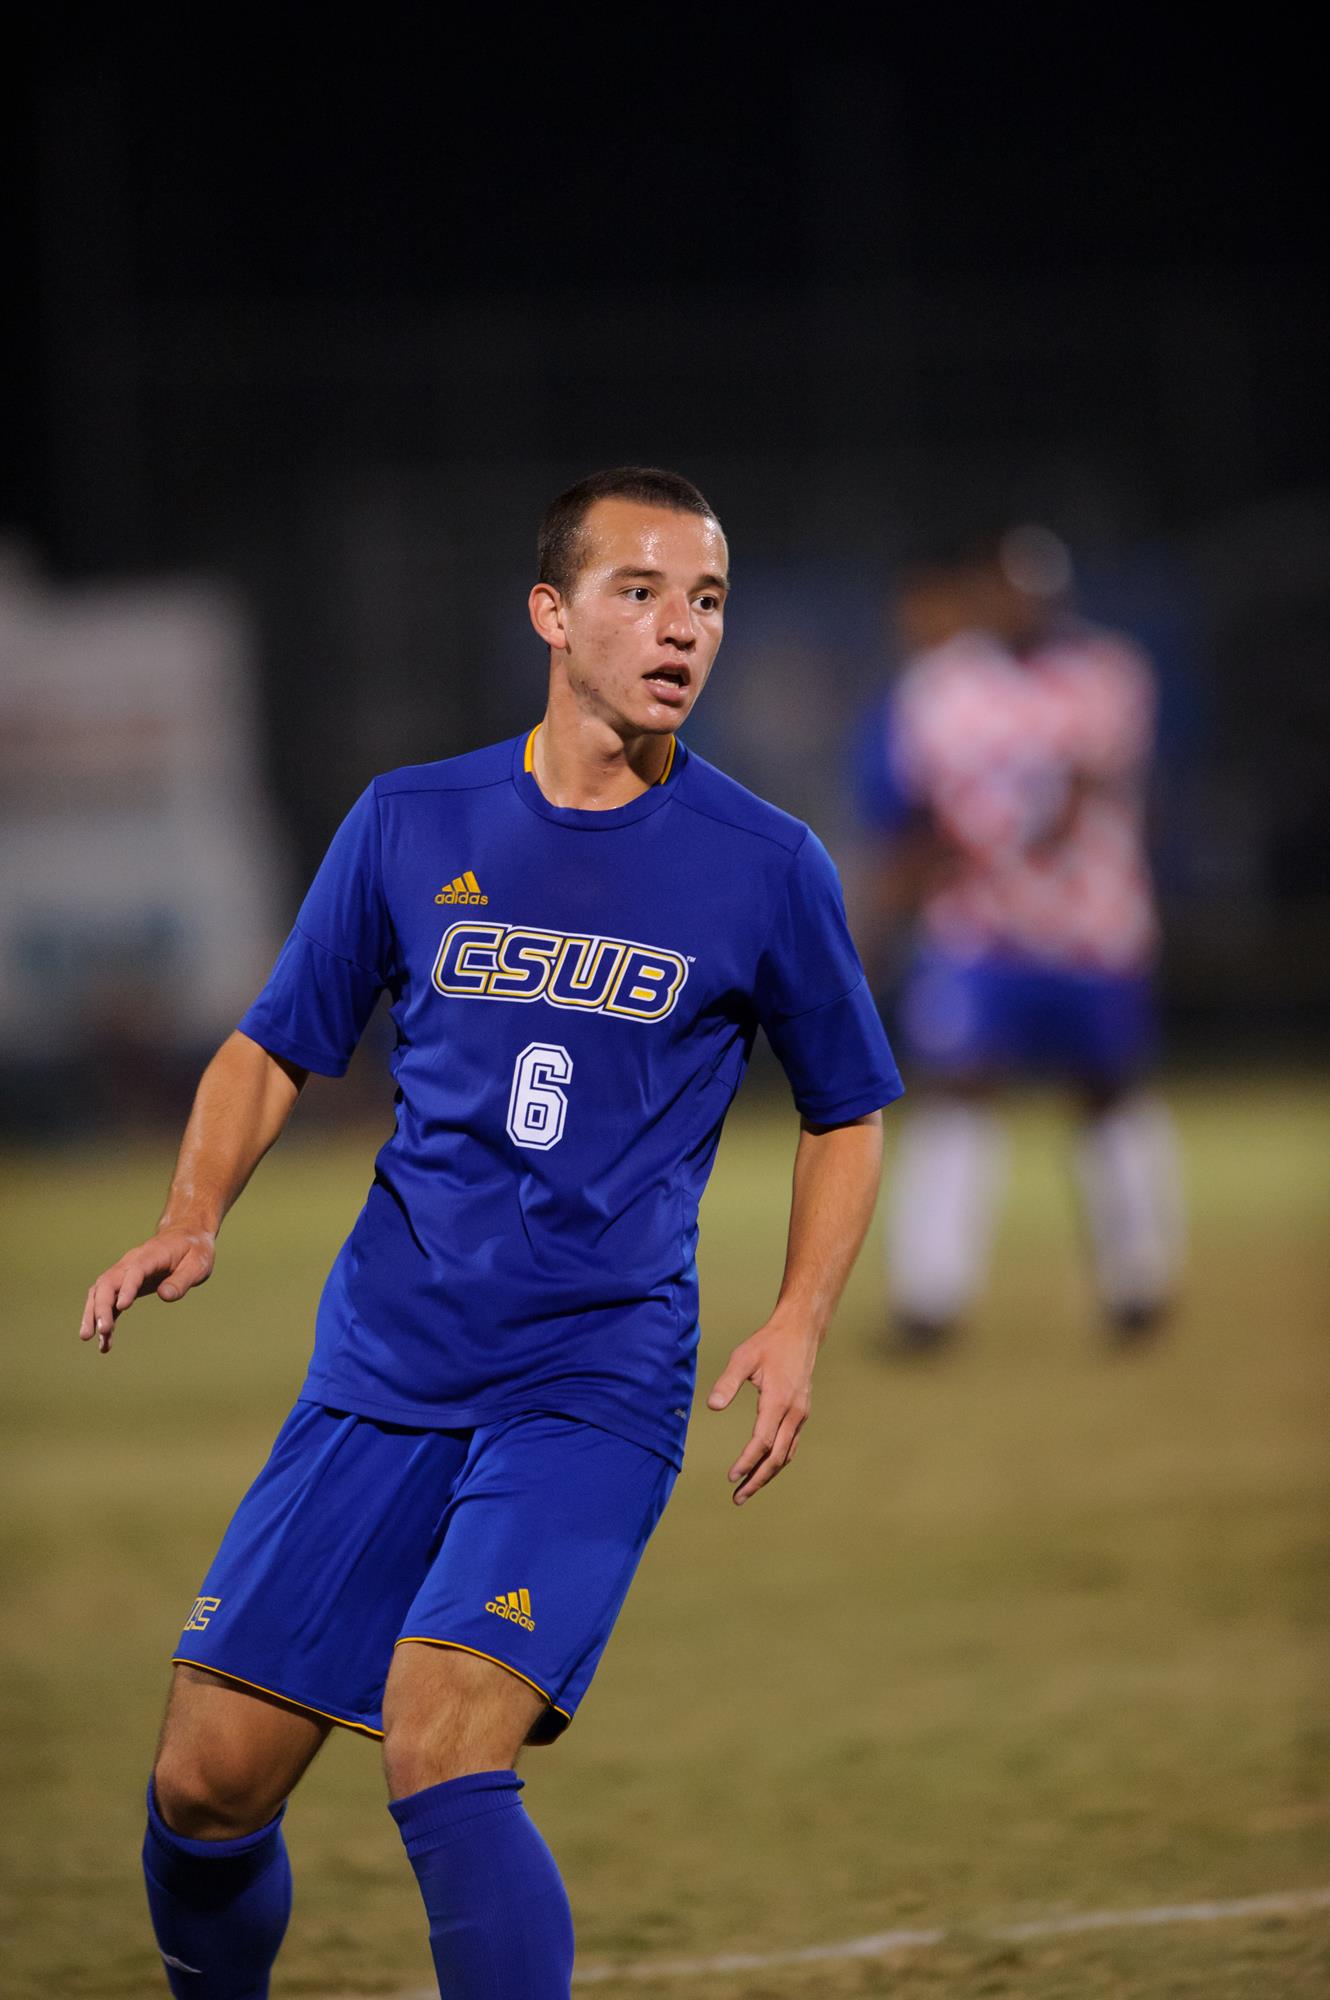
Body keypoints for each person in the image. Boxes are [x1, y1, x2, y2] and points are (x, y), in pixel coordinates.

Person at [80, 466, 903, 2000]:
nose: (680, 628)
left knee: (441, 1741)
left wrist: (797, 1317)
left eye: (706, 600)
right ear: (550, 614)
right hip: (383, 1367)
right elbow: (273, 1044)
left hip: (589, 1382)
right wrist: (192, 1213)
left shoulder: (765, 862)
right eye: (638, 592)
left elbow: (845, 1108)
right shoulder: (412, 820)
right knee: (205, 1786)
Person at [856, 526, 1182, 1355]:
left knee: (1108, 1091)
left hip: (1091, 928)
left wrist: (983, 843)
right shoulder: (938, 686)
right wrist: (887, 912)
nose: (1023, 606)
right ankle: (929, 1299)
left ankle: (1139, 1285)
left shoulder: (1107, 672)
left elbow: (1079, 794)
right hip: (978, 930)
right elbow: (915, 816)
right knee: (956, 1091)